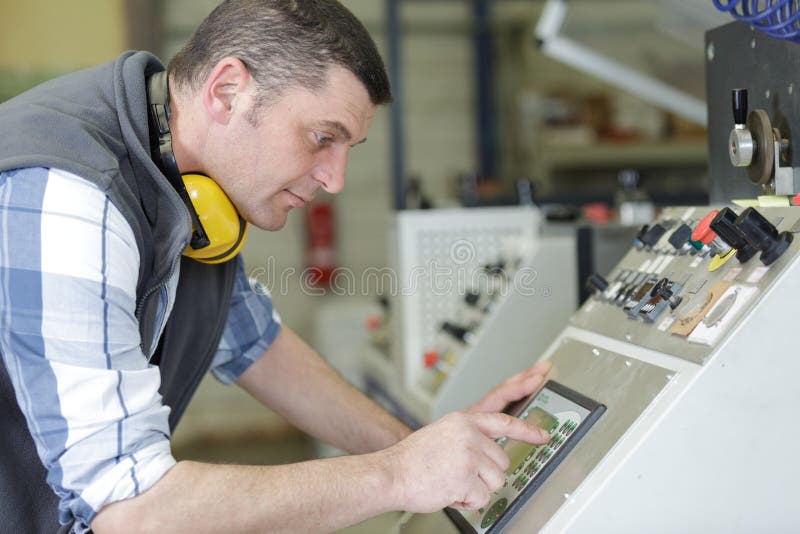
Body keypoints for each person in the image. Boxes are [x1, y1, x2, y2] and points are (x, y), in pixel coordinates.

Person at [0, 1, 553, 532]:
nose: (335, 179)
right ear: (228, 91)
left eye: (348, 148)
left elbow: (255, 344)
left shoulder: (186, 189)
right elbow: (134, 509)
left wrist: (425, 447)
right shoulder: (74, 195)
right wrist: (399, 474)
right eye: (322, 138)